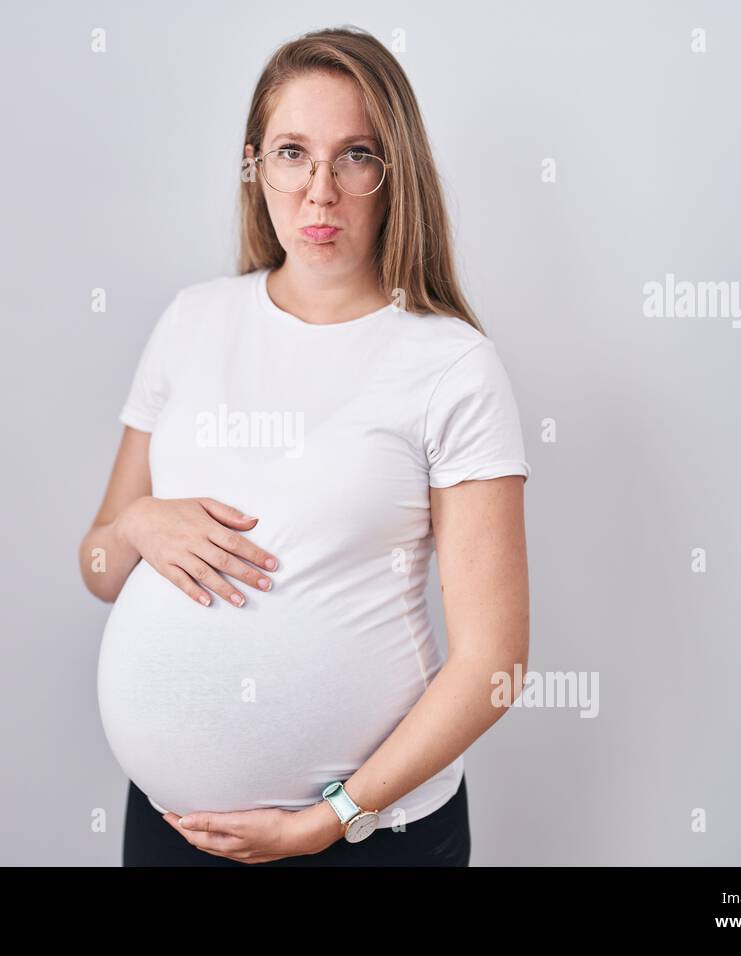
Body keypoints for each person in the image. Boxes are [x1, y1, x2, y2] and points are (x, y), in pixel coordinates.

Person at [78, 25, 531, 867]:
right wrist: (138, 524)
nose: (319, 192)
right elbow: (99, 568)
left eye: (355, 156)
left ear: (394, 173)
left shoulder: (451, 365)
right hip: (173, 830)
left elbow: (493, 662)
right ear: (255, 167)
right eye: (292, 153)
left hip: (365, 840)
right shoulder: (192, 321)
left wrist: (331, 818)